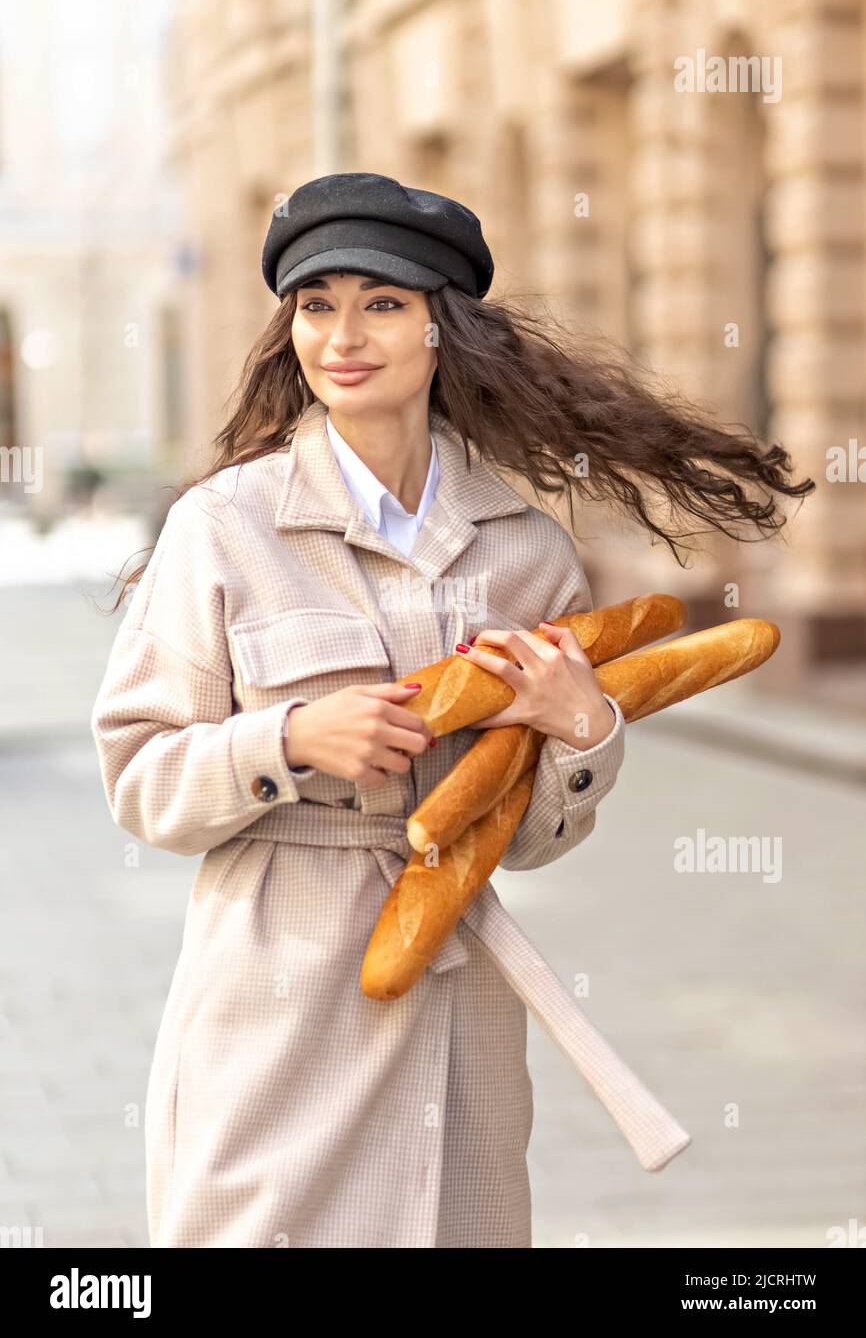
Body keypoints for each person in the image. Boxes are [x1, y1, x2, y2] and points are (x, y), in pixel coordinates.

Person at [91, 172, 814, 1249]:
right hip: (275, 994)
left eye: (381, 303)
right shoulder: (225, 527)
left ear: (442, 327)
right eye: (316, 303)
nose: (343, 334)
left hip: (453, 1008)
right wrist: (285, 740)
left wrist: (582, 734)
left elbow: (521, 841)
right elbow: (139, 778)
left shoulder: (525, 552)